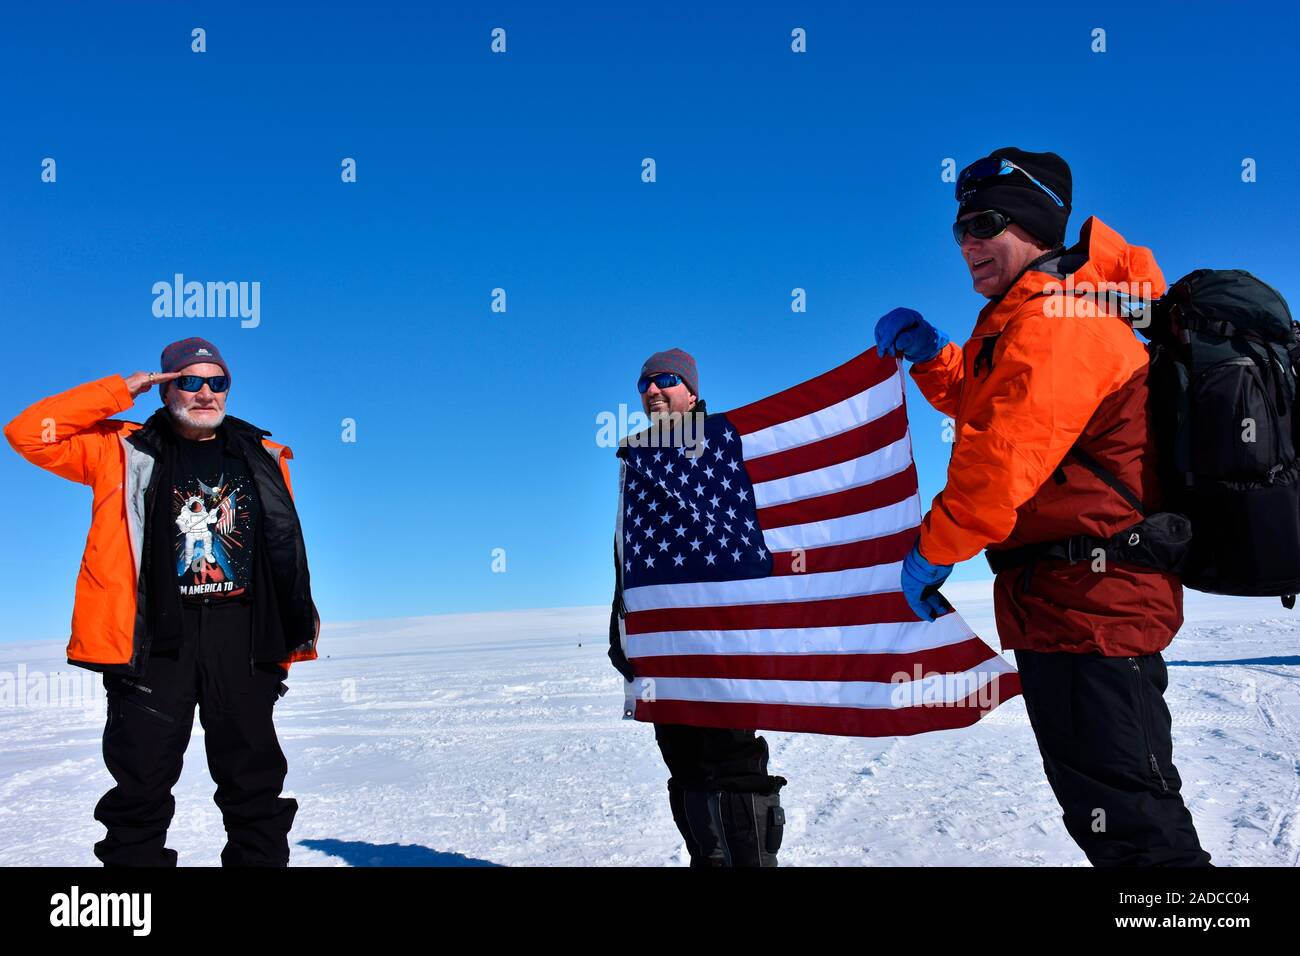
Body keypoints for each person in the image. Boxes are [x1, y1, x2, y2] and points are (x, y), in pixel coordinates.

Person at [875, 147, 1211, 866]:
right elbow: (992, 405)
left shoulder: (1058, 321)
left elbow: (997, 464)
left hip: (1096, 609)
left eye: (985, 222)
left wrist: (933, 550)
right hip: (1062, 609)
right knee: (1111, 823)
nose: (967, 241)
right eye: (958, 227)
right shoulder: (1028, 321)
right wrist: (936, 356)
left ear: (1034, 226)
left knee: (1138, 832)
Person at [4, 337, 320, 866]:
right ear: (166, 386)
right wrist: (117, 391)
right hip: (156, 639)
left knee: (254, 785)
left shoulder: (263, 455)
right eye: (189, 381)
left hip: (241, 637)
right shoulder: (120, 449)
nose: (204, 393)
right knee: (141, 787)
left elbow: (280, 551)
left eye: (216, 382)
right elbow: (29, 434)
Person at [609, 348, 787, 866]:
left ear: (690, 389)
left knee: (732, 765)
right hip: (661, 649)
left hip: (721, 644)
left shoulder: (723, 445)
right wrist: (622, 633)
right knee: (685, 769)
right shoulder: (637, 459)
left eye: (665, 380)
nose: (652, 391)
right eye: (643, 384)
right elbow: (629, 562)